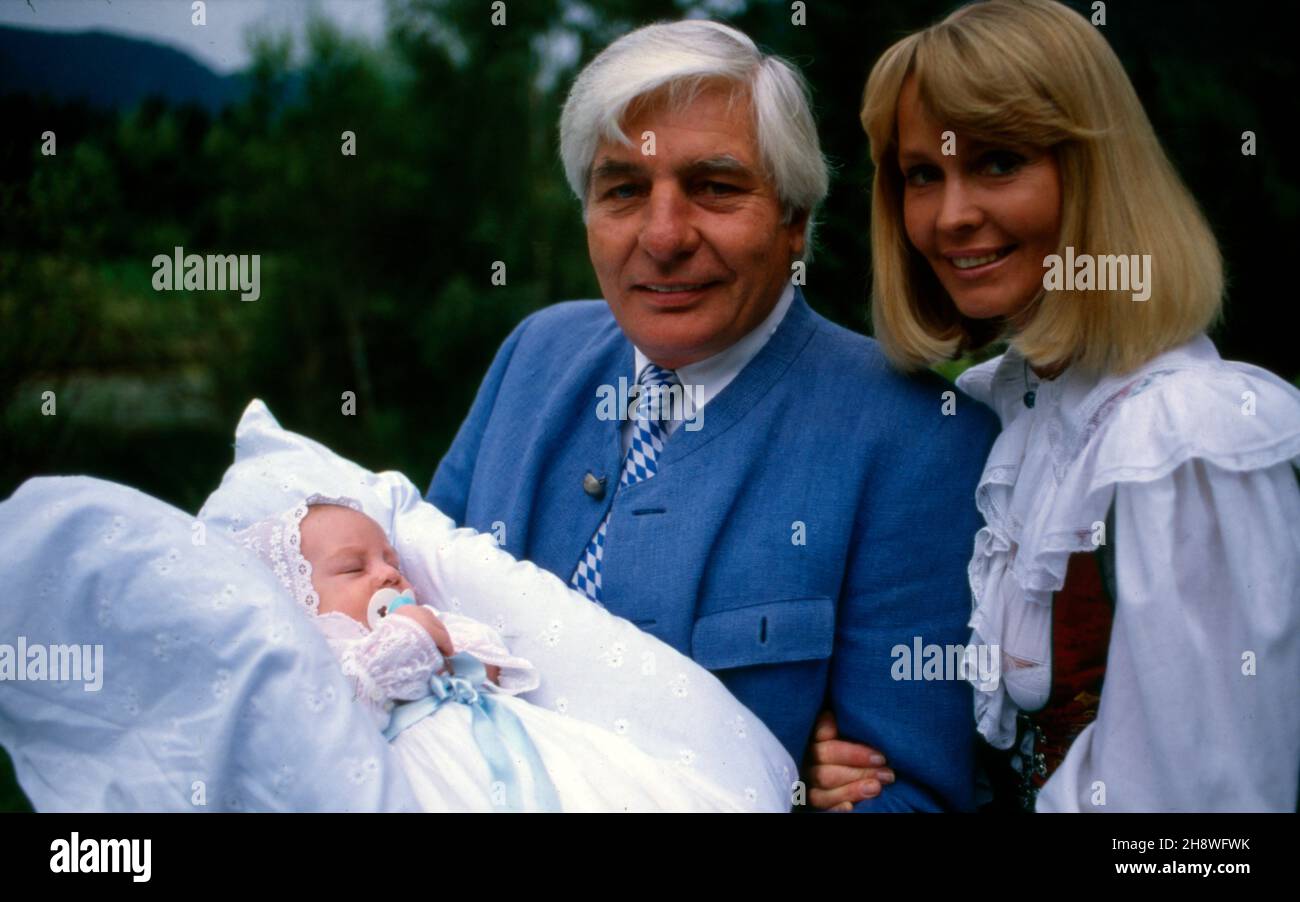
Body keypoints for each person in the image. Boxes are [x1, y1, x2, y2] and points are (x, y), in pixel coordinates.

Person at [427, 19, 999, 811]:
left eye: (715, 187)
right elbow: (396, 605)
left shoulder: (917, 439)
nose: (663, 237)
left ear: (795, 218)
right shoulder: (535, 354)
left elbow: (914, 798)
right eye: (624, 189)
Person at [811, 0, 1300, 811]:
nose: (951, 215)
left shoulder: (1188, 439)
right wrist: (851, 756)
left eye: (998, 162)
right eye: (922, 175)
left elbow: (1208, 830)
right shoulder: (986, 412)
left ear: (1096, 179)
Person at [236, 494, 748, 812]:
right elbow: (339, 713)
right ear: (299, 601)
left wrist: (452, 649)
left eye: (390, 559)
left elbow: (496, 667)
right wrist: (406, 643)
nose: (388, 574)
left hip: (513, 736)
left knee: (598, 788)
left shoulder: (436, 622)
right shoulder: (324, 650)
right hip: (429, 770)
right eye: (354, 569)